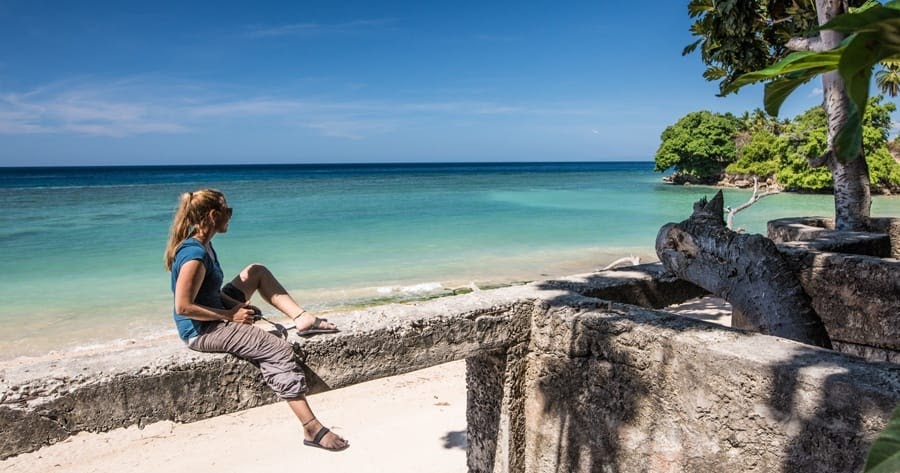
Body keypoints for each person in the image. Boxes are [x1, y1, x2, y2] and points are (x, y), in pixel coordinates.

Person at [163, 188, 349, 452]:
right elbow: (183, 306)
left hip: (215, 309)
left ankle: (303, 318)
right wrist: (230, 316)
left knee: (256, 272)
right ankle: (310, 427)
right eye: (228, 211)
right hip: (201, 330)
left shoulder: (206, 245)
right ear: (214, 215)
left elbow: (208, 293)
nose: (230, 216)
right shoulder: (194, 255)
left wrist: (233, 304)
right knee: (277, 349)